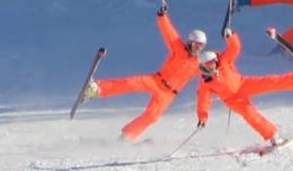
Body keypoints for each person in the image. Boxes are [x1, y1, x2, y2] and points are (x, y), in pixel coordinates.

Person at [84, 9, 206, 142]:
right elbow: (169, 33)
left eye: (201, 46)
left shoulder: (198, 64)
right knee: (130, 83)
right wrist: (162, 16)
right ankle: (96, 89)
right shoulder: (179, 48)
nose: (198, 48)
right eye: (196, 45)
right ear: (190, 42)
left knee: (152, 116)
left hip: (168, 94)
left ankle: (128, 135)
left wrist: (219, 68)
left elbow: (215, 68)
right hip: (156, 80)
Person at [194, 28, 293, 147]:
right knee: (250, 114)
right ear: (204, 66)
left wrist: (231, 36)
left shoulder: (223, 61)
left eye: (213, 62)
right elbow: (203, 101)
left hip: (243, 84)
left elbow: (234, 48)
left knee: (271, 82)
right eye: (209, 64)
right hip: (233, 99)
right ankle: (273, 136)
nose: (212, 66)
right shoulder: (205, 82)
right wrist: (202, 118)